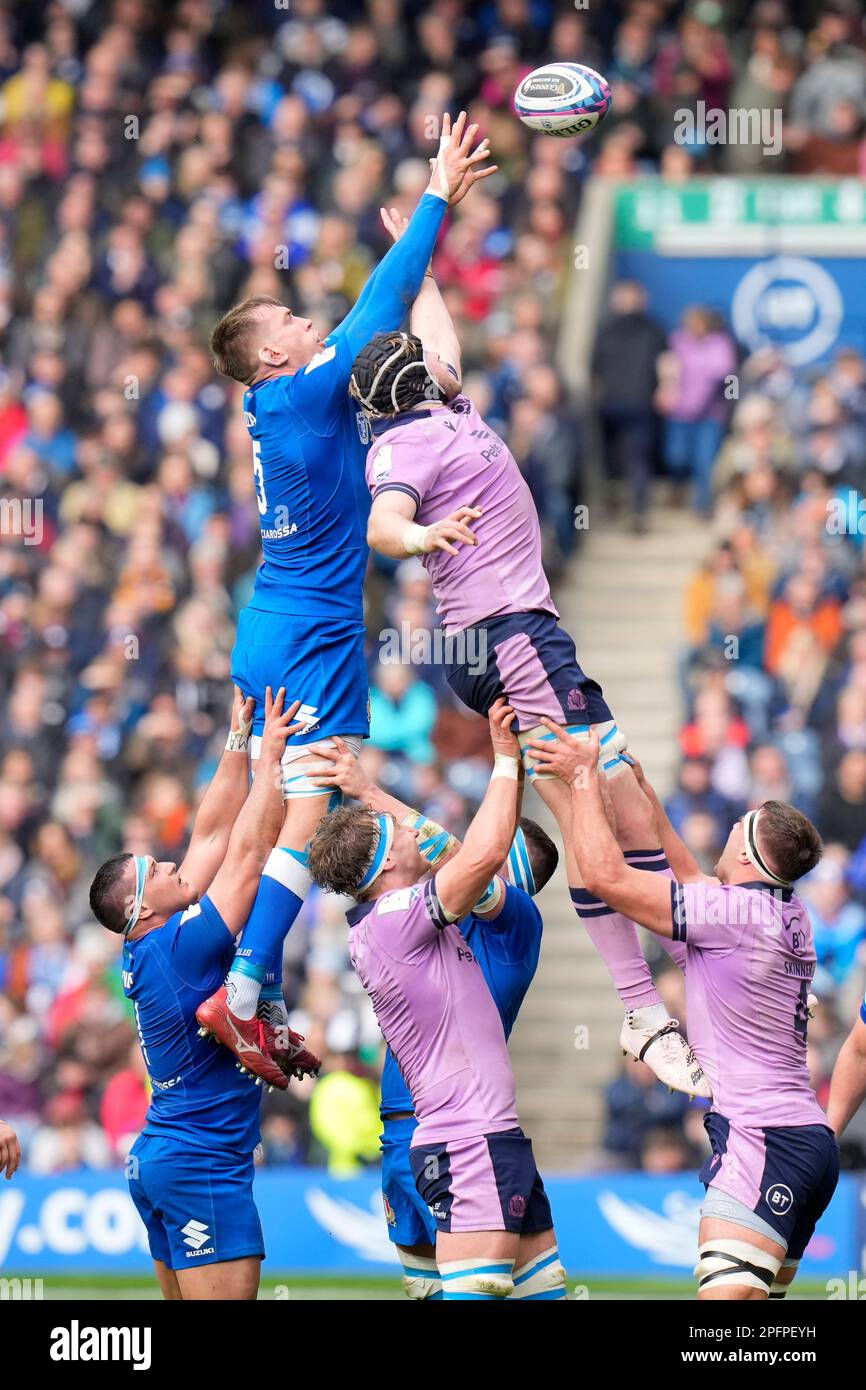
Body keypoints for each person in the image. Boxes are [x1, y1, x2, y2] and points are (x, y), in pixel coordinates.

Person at [352, 220, 707, 1098]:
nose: (441, 364)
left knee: (629, 796)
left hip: (526, 637)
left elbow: (442, 336)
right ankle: (643, 1001)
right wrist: (421, 534)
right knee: (595, 808)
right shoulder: (401, 444)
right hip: (504, 638)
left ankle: (697, 936)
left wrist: (422, 251)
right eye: (425, 367)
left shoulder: (445, 406)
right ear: (407, 390)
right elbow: (381, 521)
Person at [197, 113, 496, 1081]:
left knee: (284, 812)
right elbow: (379, 307)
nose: (301, 317)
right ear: (274, 357)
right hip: (310, 631)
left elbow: (409, 338)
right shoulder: (298, 393)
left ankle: (260, 988)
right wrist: (437, 195)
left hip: (275, 628)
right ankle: (242, 984)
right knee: (303, 813)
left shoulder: (274, 402)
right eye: (285, 319)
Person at [527, 721, 839, 1302]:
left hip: (764, 1138)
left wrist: (583, 778)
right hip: (804, 1137)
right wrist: (645, 802)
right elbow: (691, 877)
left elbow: (605, 877)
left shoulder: (733, 917)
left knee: (721, 1319)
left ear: (744, 852)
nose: (725, 831)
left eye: (735, 828)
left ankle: (644, 1012)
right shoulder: (785, 911)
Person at [307, 701, 565, 1302]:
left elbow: (459, 855)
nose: (445, 839)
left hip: (452, 1129)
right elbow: (446, 855)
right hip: (429, 1131)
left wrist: (370, 790)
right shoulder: (415, 916)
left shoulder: (510, 924)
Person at [88, 688, 316, 1300]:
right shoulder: (178, 950)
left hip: (166, 1156)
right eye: (153, 872)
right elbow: (242, 856)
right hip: (200, 1163)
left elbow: (212, 833)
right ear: (139, 908)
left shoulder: (156, 947)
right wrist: (273, 762)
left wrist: (238, 740)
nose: (166, 865)